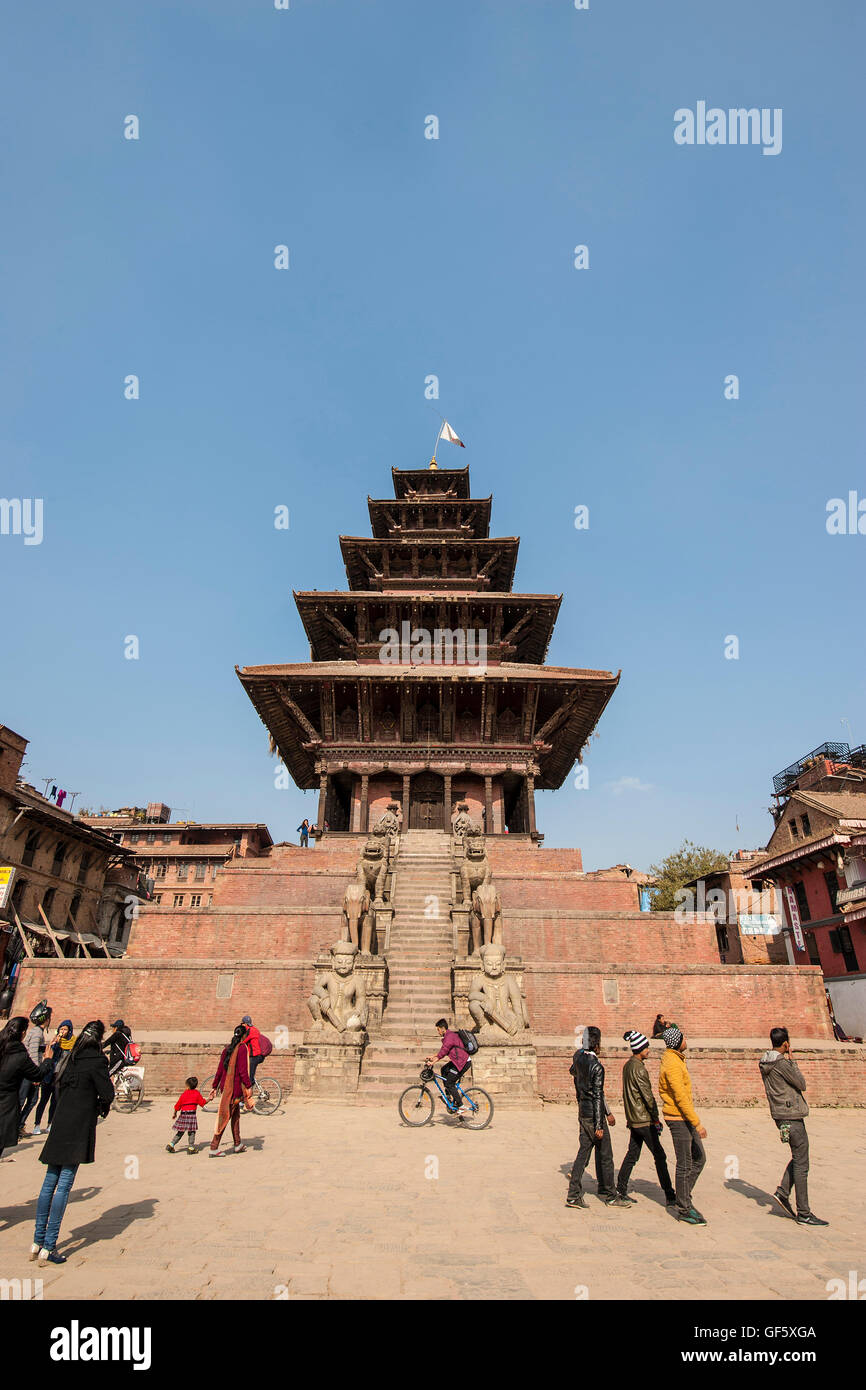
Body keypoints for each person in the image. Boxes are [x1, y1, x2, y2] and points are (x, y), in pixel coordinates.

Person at [32, 1019, 114, 1264]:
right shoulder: (98, 1061)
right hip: (78, 1127)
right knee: (64, 1185)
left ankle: (37, 1241)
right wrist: (100, 1105)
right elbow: (107, 1093)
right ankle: (50, 1245)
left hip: (59, 1125)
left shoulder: (69, 1059)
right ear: (99, 1040)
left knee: (49, 1183)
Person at [759, 1026, 828, 1227]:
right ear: (786, 1043)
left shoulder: (764, 1061)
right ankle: (804, 1212)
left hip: (780, 1115)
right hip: (792, 1114)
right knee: (802, 1163)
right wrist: (792, 1060)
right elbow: (801, 1083)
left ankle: (783, 1192)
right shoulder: (781, 1064)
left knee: (798, 1156)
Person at [565, 1026, 626, 1209]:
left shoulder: (578, 1057)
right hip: (593, 1114)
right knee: (606, 1155)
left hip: (583, 1112)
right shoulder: (597, 1067)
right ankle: (610, 1194)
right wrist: (600, 1124)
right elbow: (598, 1095)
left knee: (583, 1153)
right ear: (597, 1044)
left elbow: (572, 1072)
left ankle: (574, 1194)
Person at [616, 1030, 677, 1206]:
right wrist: (656, 1118)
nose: (649, 1050)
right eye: (646, 1047)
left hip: (633, 1119)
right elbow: (647, 1096)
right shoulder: (639, 1068)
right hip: (644, 1119)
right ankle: (670, 1194)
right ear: (640, 1049)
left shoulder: (628, 1066)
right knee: (660, 1156)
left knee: (632, 1154)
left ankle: (621, 1188)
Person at [658, 1025, 707, 1225]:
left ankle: (683, 1196)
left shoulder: (677, 1060)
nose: (686, 1040)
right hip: (678, 1118)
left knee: (699, 1158)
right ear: (677, 1042)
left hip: (685, 1116)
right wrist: (697, 1123)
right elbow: (679, 1096)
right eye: (683, 1038)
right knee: (685, 1163)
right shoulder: (671, 1063)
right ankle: (684, 1208)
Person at [0, 1017, 51, 1160]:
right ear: (23, 1033)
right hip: (6, 1103)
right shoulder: (20, 1055)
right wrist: (47, 1060)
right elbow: (37, 1074)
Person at [208, 1025, 254, 1156]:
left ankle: (237, 1143)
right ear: (244, 1036)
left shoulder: (227, 1049)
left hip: (226, 1087)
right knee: (226, 1115)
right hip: (234, 1089)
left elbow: (220, 1070)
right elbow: (243, 1071)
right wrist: (248, 1086)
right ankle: (214, 1146)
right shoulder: (242, 1049)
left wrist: (214, 1086)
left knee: (235, 1115)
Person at [33, 1020, 74, 1134]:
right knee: (43, 1101)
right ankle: (37, 1124)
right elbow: (48, 1055)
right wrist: (54, 1043)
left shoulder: (71, 1044)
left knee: (54, 1101)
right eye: (61, 1029)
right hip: (49, 1075)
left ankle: (50, 1124)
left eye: (65, 1029)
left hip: (59, 1075)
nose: (63, 1031)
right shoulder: (54, 1042)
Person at [426, 1018, 471, 1116]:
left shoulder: (449, 1036)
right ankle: (448, 1094)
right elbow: (444, 1049)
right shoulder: (448, 1036)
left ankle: (461, 1106)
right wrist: (433, 1056)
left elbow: (444, 1050)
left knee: (450, 1082)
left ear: (442, 1028)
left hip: (463, 1062)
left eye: (438, 1030)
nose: (438, 1032)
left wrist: (433, 1062)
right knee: (443, 1069)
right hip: (458, 1061)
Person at [19, 1001, 51, 1134]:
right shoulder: (37, 1033)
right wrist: (36, 1074)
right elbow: (32, 1053)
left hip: (30, 1072)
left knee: (30, 1100)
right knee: (26, 1100)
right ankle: (17, 1126)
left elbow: (35, 1049)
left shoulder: (36, 1031)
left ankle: (18, 1125)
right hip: (30, 1073)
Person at [166, 1075, 208, 1154]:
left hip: (183, 1115)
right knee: (191, 1132)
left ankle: (171, 1144)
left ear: (187, 1086)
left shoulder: (184, 1094)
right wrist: (210, 1099)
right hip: (191, 1115)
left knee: (180, 1132)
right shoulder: (196, 1093)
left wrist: (175, 1114)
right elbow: (203, 1103)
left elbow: (177, 1106)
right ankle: (191, 1147)